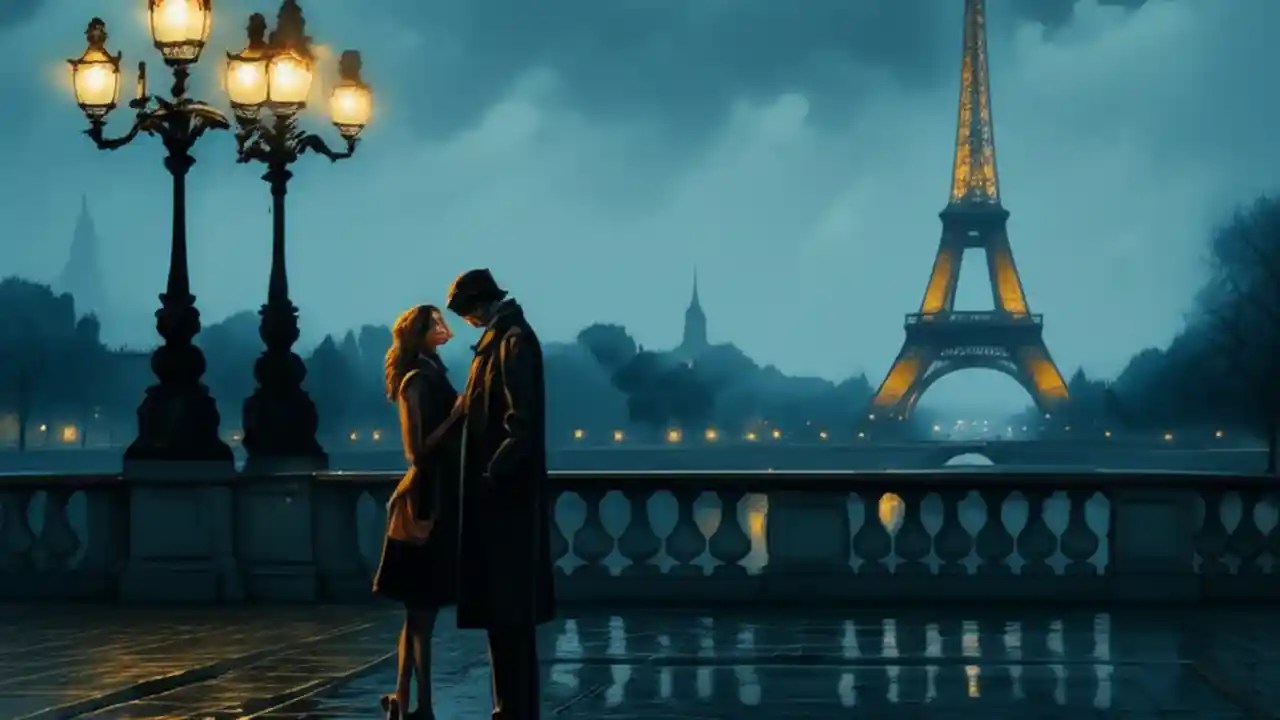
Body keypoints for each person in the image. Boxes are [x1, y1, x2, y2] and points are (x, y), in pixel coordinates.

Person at [446, 268, 556, 720]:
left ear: (480, 305)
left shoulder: (510, 343)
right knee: (506, 618)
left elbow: (520, 423)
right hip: (502, 499)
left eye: (467, 313)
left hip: (504, 502)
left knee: (508, 616)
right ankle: (509, 708)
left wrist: (493, 473)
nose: (467, 323)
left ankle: (512, 709)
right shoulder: (505, 339)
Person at [372, 304, 462, 720]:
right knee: (422, 614)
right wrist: (457, 416)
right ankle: (420, 705)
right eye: (435, 324)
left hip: (434, 499)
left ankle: (405, 701)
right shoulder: (417, 381)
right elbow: (418, 452)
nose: (444, 328)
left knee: (418, 616)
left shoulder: (432, 375)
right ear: (418, 334)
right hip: (424, 506)